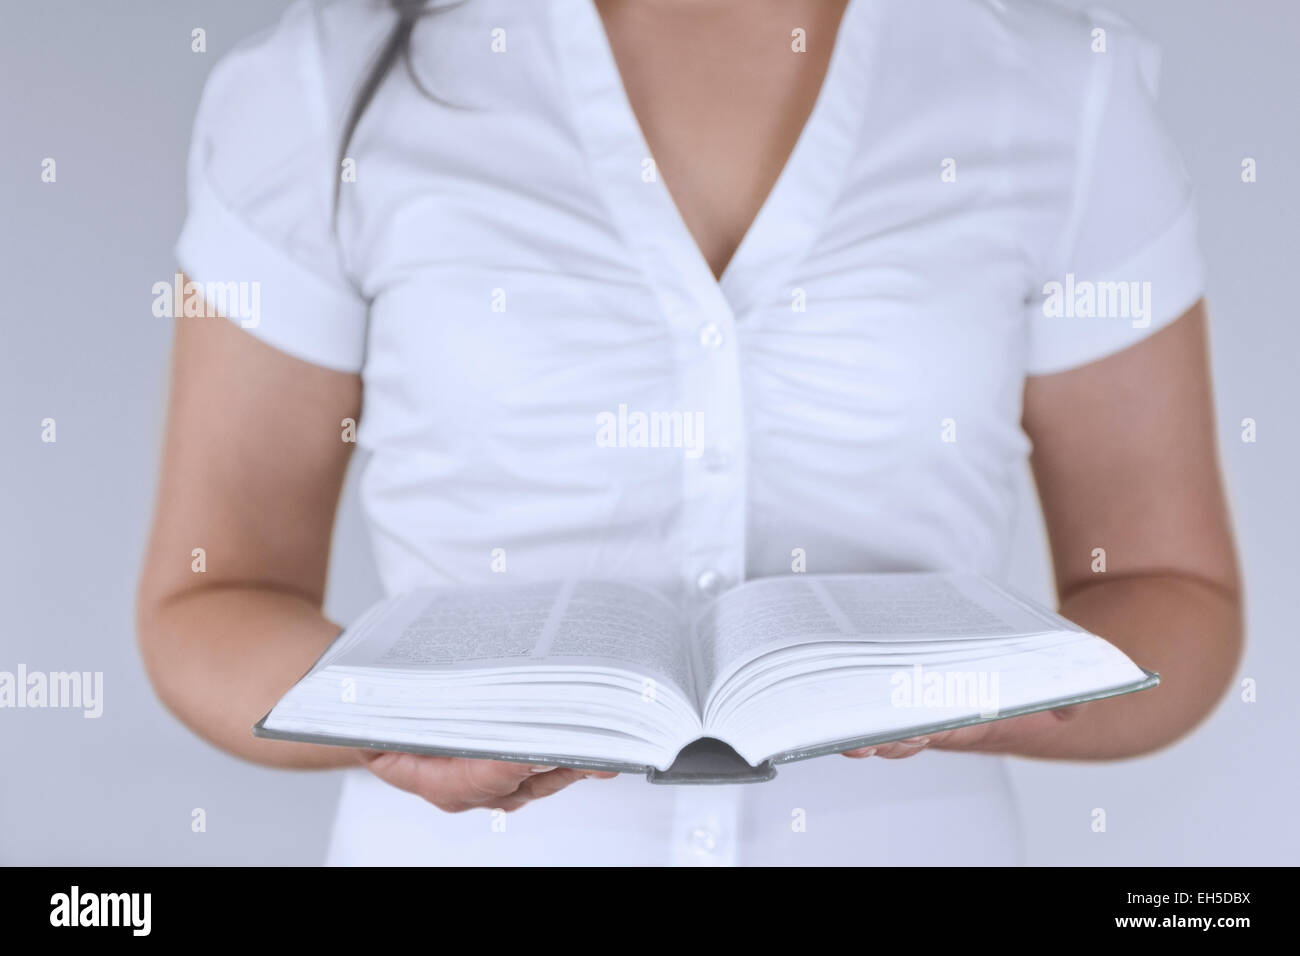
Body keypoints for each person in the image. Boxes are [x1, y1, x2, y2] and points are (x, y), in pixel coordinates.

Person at [138, 0, 1242, 865]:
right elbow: (208, 598)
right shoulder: (317, 88)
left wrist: (988, 706)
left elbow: (1171, 594)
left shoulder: (1062, 87)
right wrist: (398, 722)